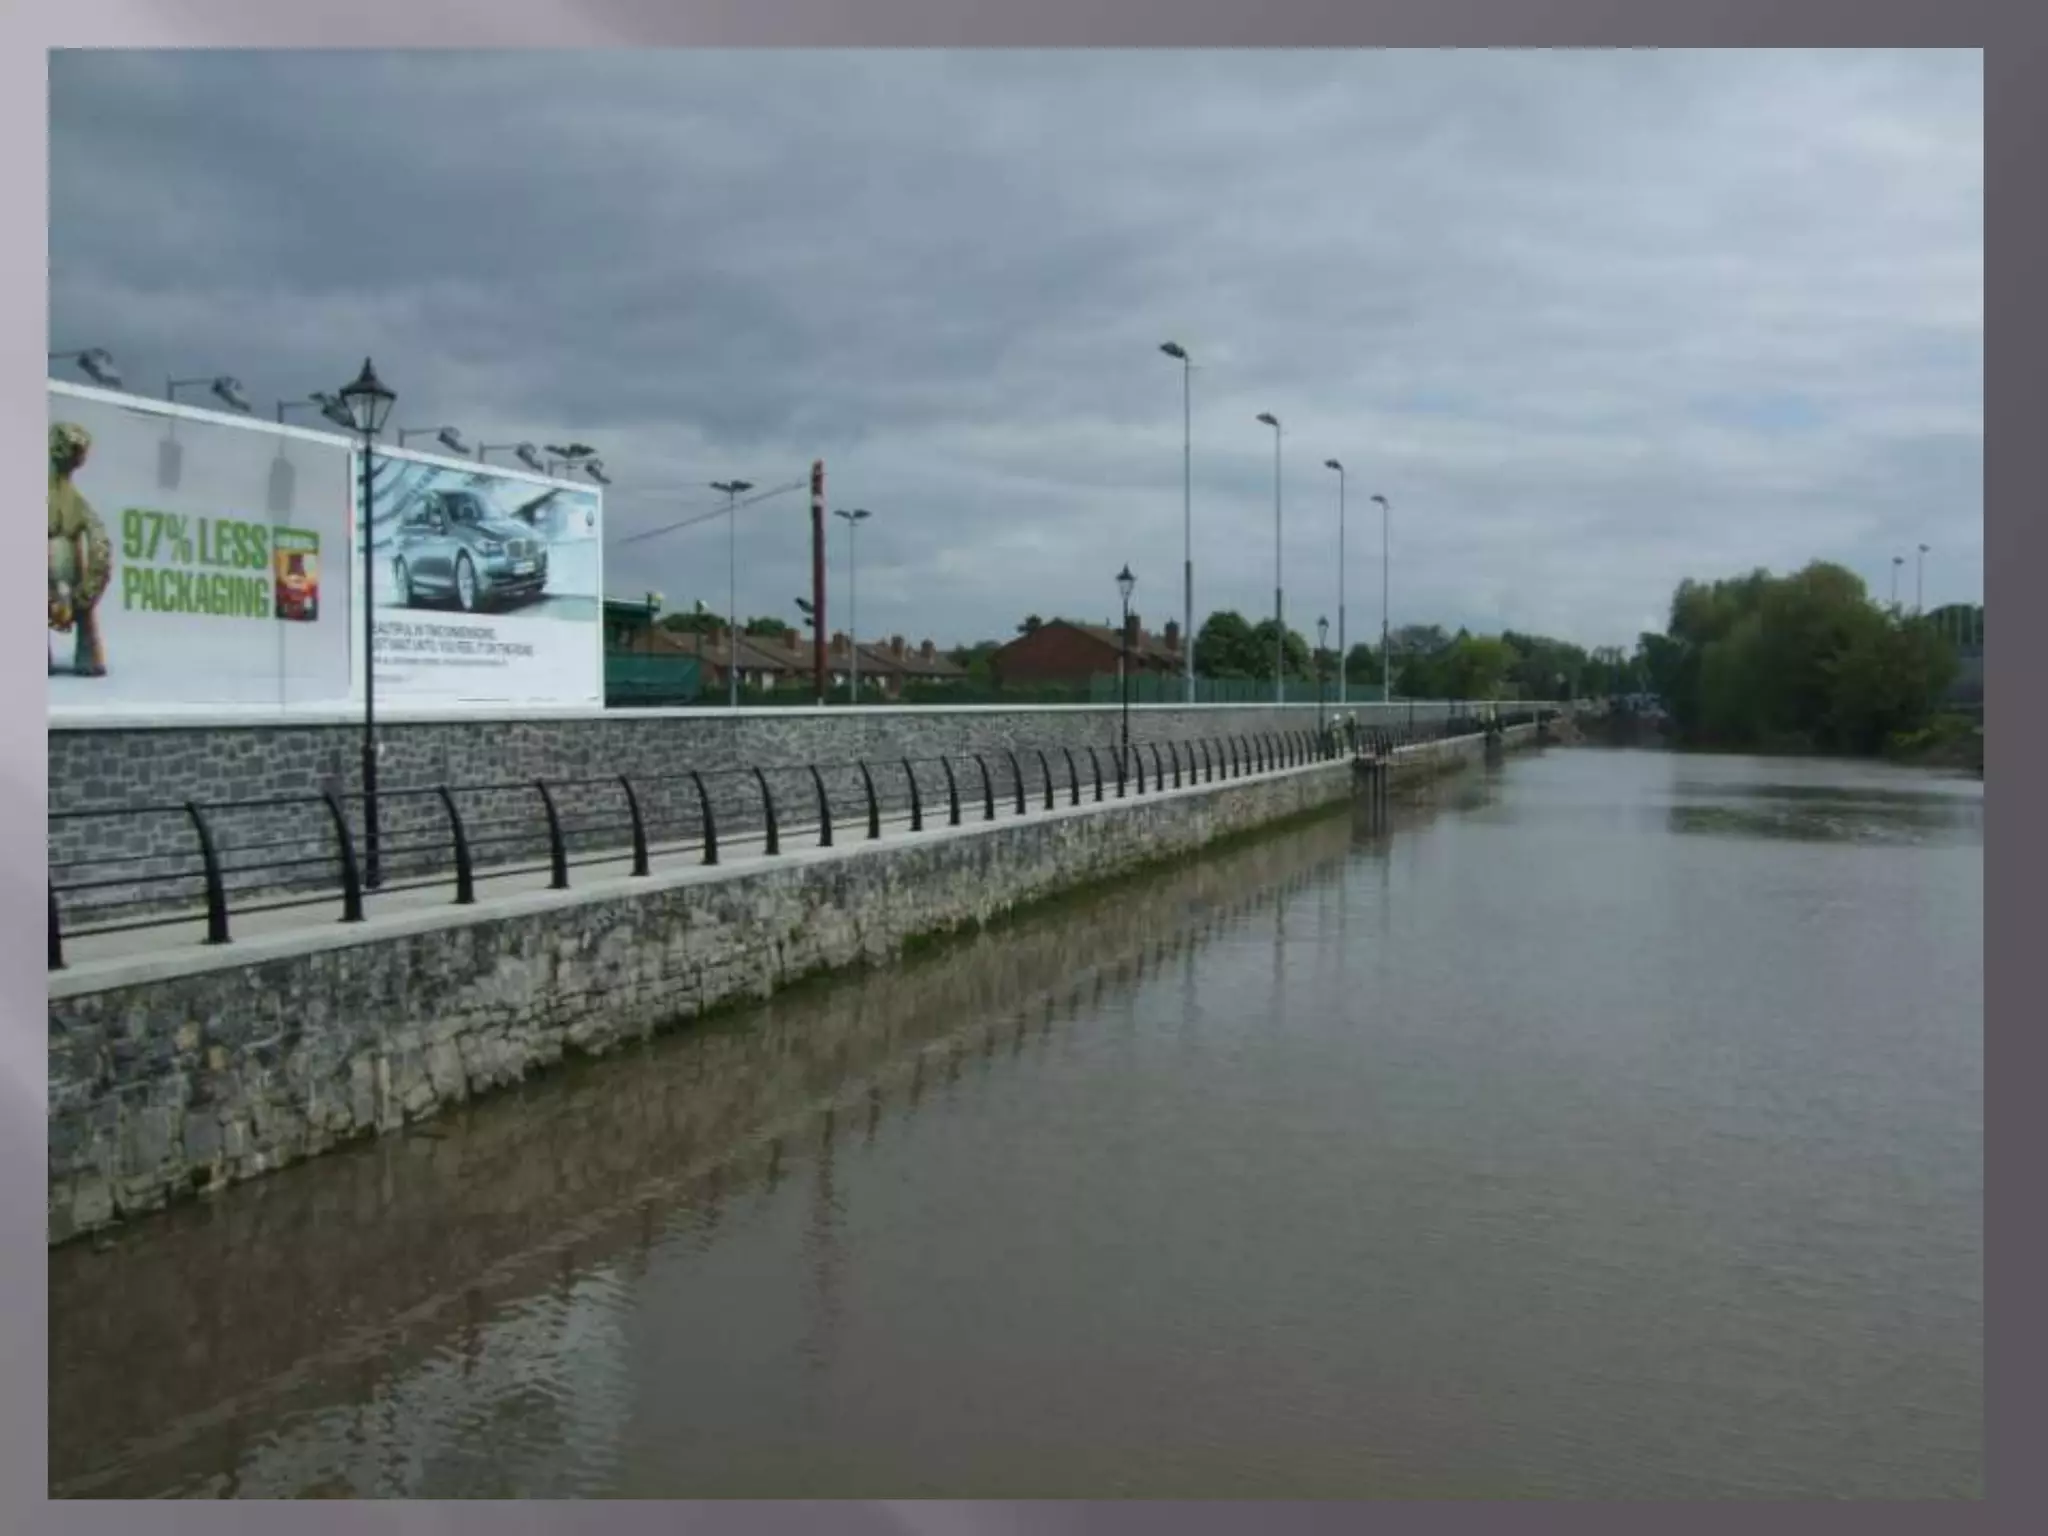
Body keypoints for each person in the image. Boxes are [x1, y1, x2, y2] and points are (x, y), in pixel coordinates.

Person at [49, 421, 110, 677]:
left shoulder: (76, 503)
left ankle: (88, 655)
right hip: (52, 578)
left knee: (86, 623)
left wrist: (89, 587)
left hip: (72, 579)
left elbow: (99, 544)